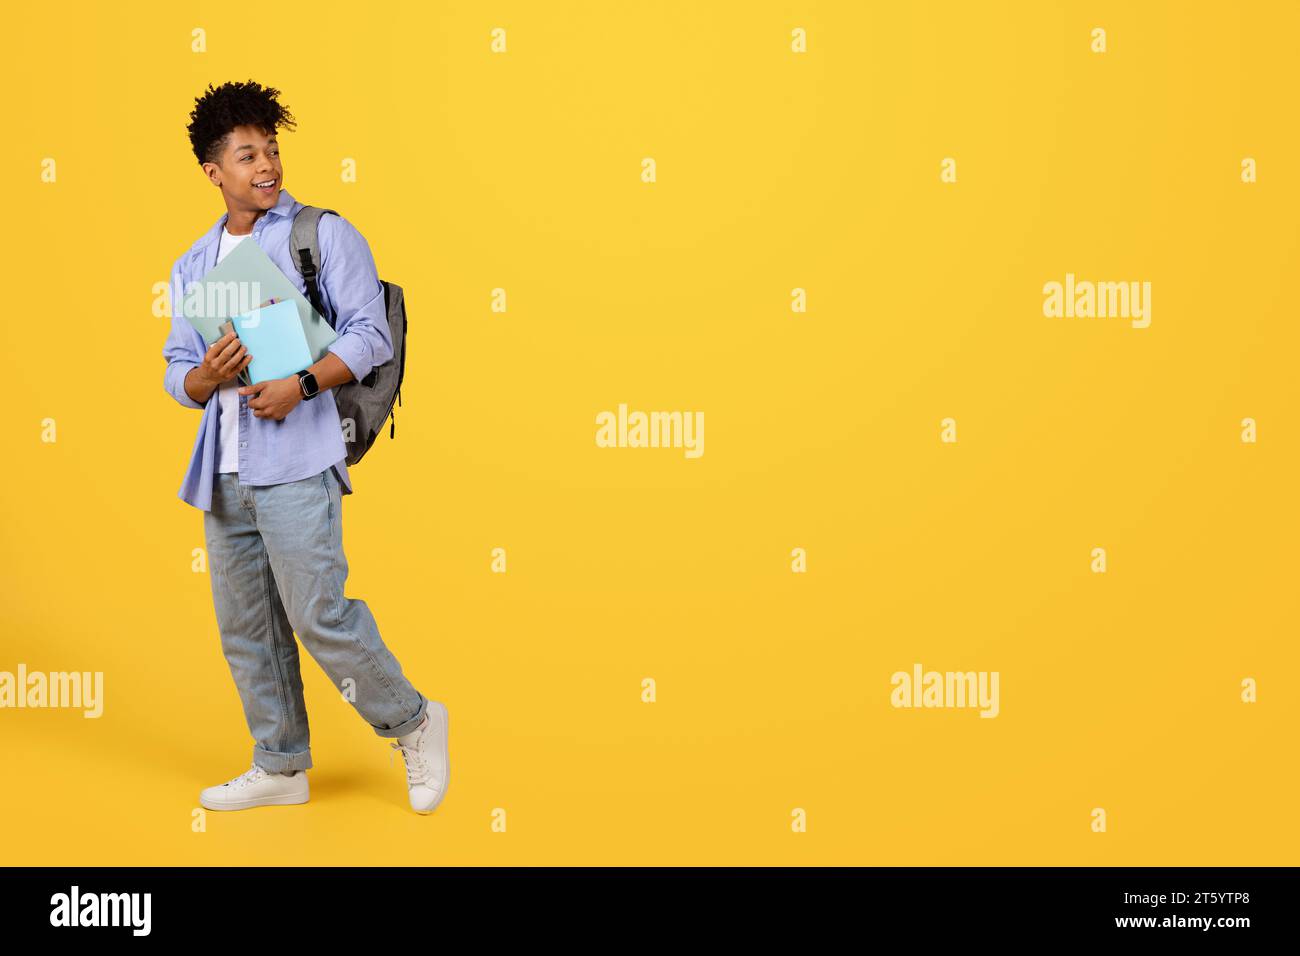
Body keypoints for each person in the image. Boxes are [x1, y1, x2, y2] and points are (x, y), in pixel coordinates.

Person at [161, 79, 447, 814]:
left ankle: (414, 723)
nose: (268, 165)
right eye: (248, 152)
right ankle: (280, 764)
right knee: (247, 629)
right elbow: (174, 372)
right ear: (213, 171)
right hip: (223, 472)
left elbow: (369, 333)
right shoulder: (193, 264)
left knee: (319, 613)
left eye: (274, 148)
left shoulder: (320, 234)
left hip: (296, 462)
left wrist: (302, 386)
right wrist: (203, 376)